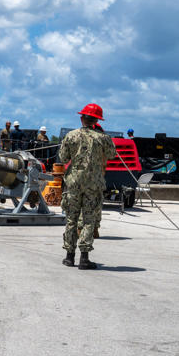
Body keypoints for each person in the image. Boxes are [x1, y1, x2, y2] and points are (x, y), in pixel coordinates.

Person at [59, 103, 116, 269]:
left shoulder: (71, 136)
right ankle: (84, 258)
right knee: (89, 220)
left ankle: (69, 257)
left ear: (82, 118)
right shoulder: (103, 138)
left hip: (73, 183)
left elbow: (63, 158)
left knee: (71, 220)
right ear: (97, 120)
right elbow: (112, 155)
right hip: (94, 184)